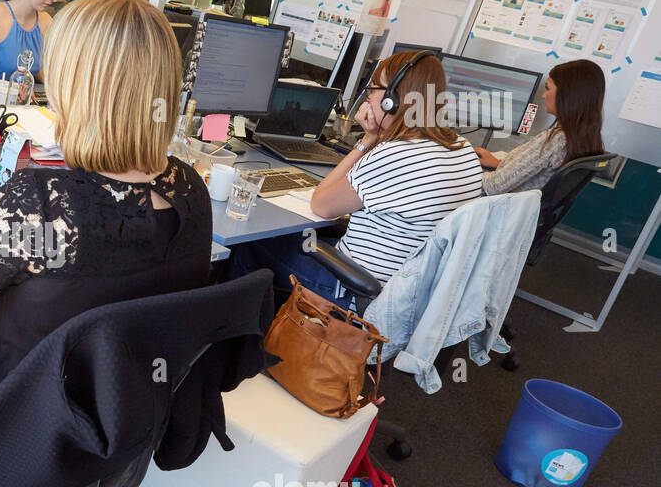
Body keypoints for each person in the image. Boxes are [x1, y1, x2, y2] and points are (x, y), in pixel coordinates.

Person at [0, 0, 213, 405]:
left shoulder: (39, 202)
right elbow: (98, 243)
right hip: (103, 413)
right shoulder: (189, 189)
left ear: (75, 86)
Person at [228, 51, 483, 307]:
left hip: (356, 291)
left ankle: (245, 338)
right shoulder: (462, 148)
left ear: (392, 100)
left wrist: (367, 140)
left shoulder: (398, 154)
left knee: (252, 244)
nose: (369, 96)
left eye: (374, 88)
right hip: (412, 294)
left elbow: (321, 205)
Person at [475, 59, 605, 195]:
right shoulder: (584, 136)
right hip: (522, 206)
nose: (543, 95)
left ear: (567, 95)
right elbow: (538, 173)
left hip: (495, 203)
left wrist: (459, 170)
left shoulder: (556, 141)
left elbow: (493, 186)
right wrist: (498, 164)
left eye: (548, 88)